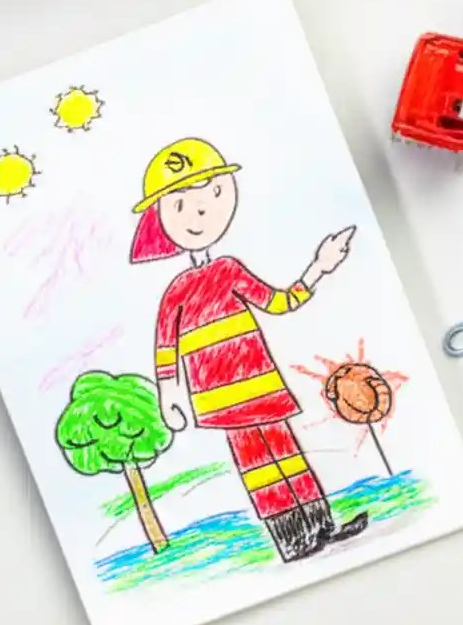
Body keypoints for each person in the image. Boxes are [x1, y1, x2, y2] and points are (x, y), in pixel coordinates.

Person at [129, 137, 368, 562]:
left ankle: (321, 525)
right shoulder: (176, 292)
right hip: (221, 401)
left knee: (288, 455)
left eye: (210, 195)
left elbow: (280, 301)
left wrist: (319, 267)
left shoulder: (230, 269)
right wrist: (168, 396)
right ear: (161, 219)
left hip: (260, 387)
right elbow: (165, 347)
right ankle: (293, 539)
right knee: (259, 468)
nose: (198, 212)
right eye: (180, 205)